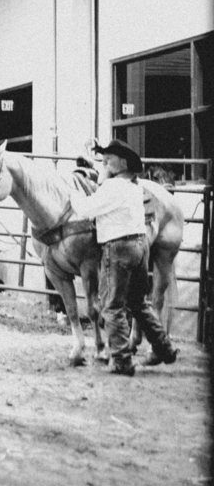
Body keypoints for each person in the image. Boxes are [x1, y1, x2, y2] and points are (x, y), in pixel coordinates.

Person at [69, 138, 178, 376]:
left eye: (110, 157)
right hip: (139, 247)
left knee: (112, 306)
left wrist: (73, 193)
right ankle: (164, 348)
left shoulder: (112, 187)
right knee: (139, 303)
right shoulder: (133, 187)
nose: (105, 160)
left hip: (117, 248)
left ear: (123, 163)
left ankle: (121, 360)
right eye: (105, 157)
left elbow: (87, 209)